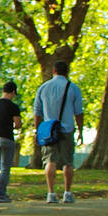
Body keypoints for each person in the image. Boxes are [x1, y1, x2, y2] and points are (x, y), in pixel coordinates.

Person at [33, 61, 84, 203]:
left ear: (54, 70)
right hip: (66, 129)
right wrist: (80, 130)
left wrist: (37, 132)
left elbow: (37, 113)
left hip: (49, 130)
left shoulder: (43, 88)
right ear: (67, 71)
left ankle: (51, 193)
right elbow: (78, 112)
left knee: (50, 160)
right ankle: (67, 192)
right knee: (68, 162)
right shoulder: (73, 88)